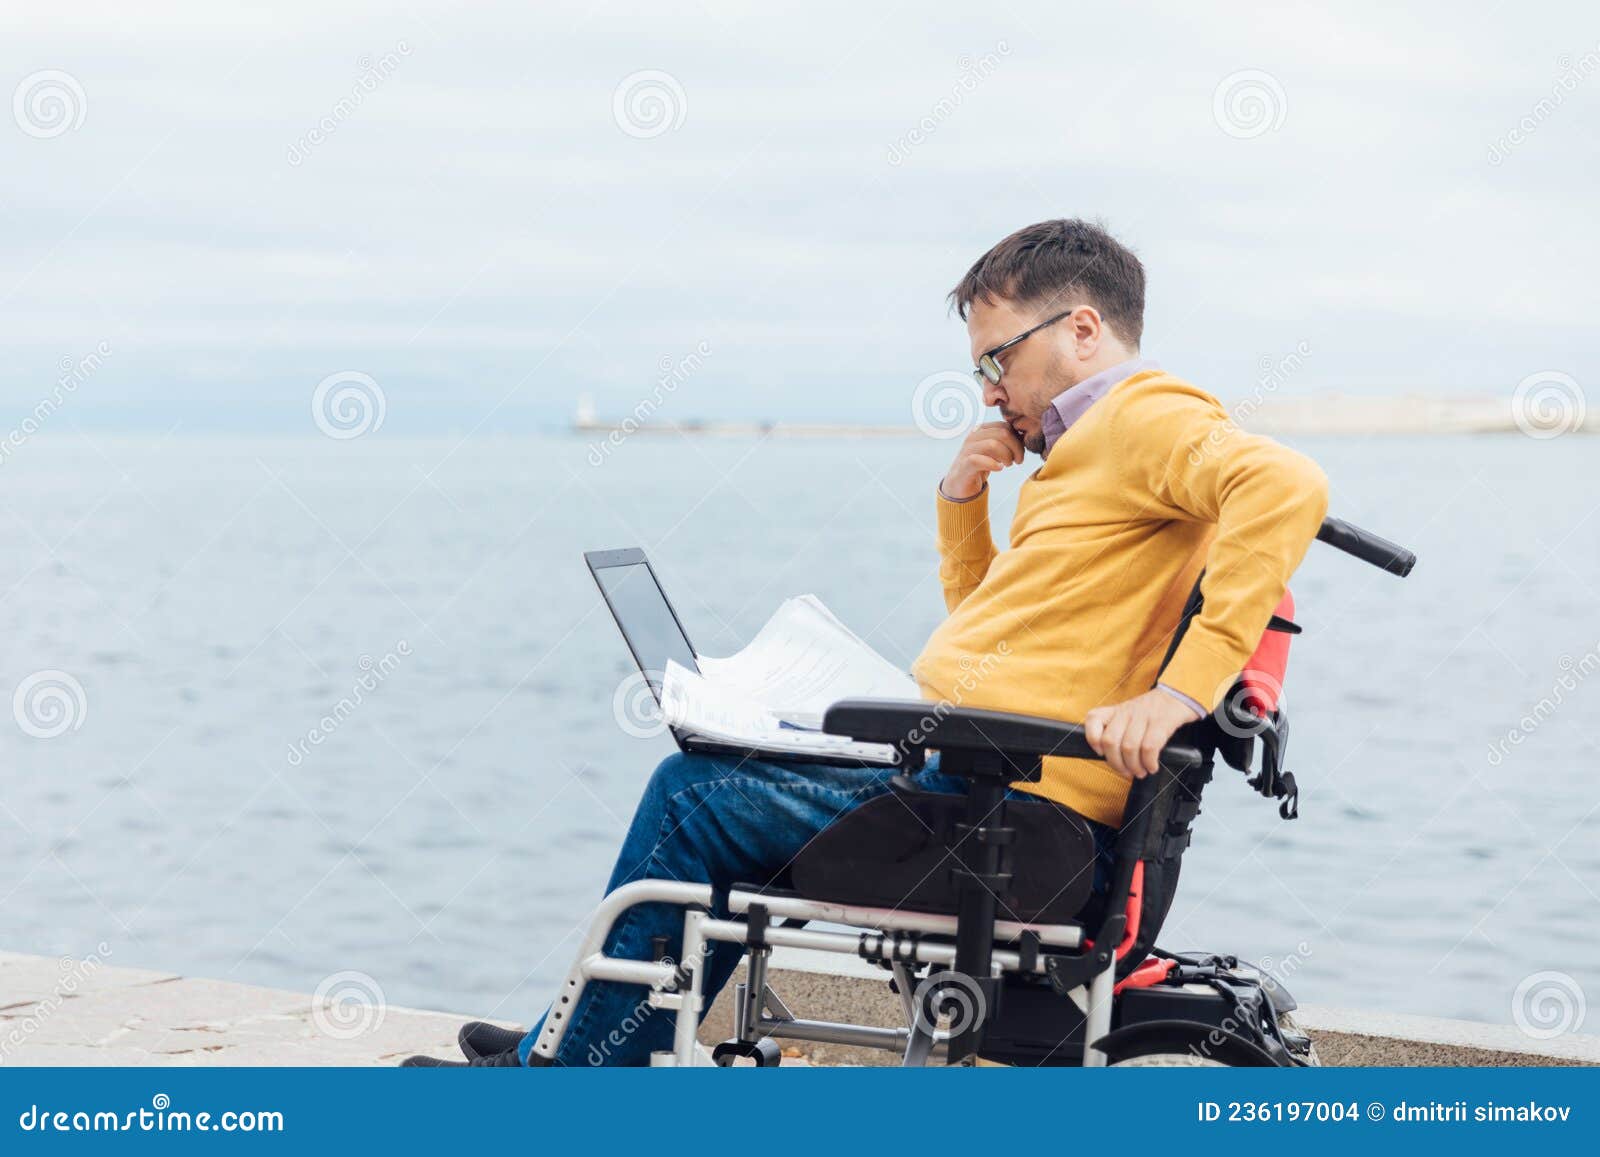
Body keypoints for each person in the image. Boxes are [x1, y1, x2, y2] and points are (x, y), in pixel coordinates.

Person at [402, 218, 1329, 1067]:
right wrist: (962, 504)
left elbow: (1287, 484)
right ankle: (576, 1045)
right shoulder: (1089, 447)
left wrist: (1176, 695)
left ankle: (561, 1077)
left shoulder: (1147, 416)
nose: (990, 386)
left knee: (694, 796)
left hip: (1016, 824)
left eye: (999, 356)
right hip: (988, 794)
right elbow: (995, 632)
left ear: (1082, 330)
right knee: (721, 791)